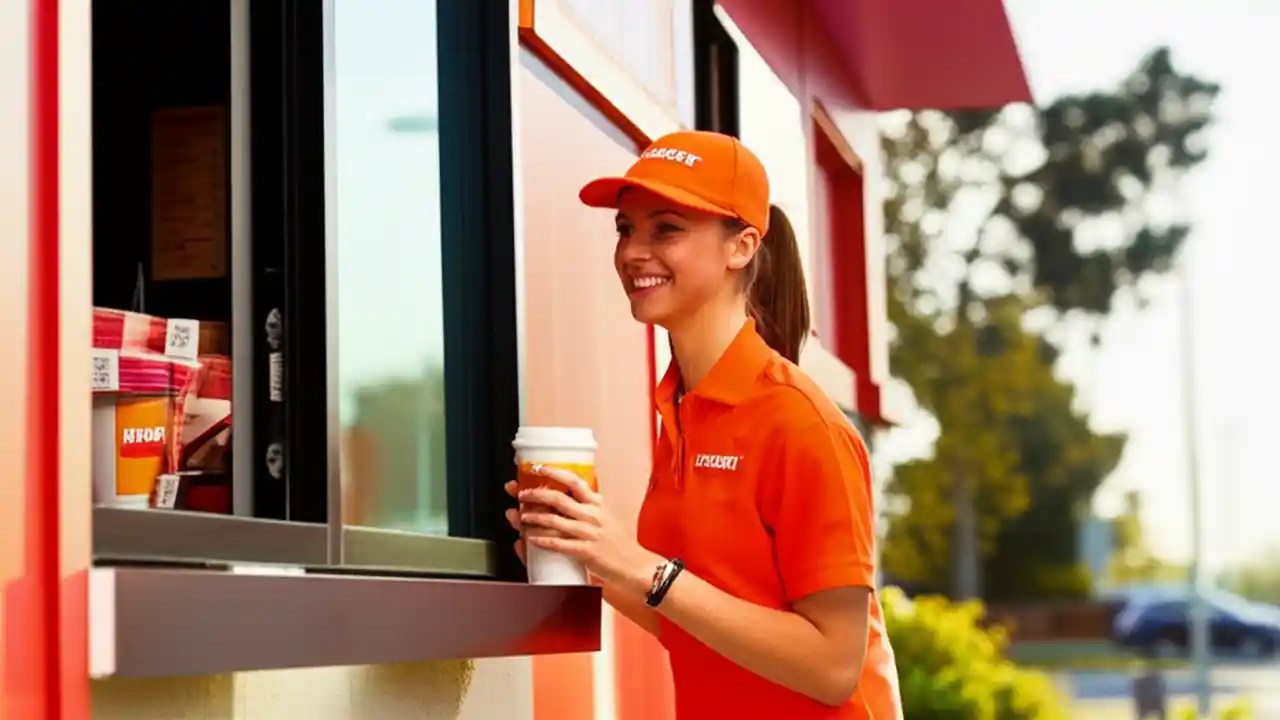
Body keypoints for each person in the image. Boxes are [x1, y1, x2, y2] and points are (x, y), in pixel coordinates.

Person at [504, 130, 902, 719]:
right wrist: (591, 558)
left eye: (666, 228)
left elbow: (832, 669)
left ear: (740, 247)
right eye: (625, 229)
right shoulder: (684, 409)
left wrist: (643, 567)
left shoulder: (799, 422)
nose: (634, 250)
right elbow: (692, 623)